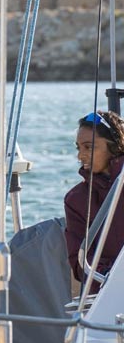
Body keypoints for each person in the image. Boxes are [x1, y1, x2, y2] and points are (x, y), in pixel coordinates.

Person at [63, 110, 124, 289]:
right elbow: (79, 261)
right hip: (108, 296)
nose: (80, 156)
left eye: (89, 147)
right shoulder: (75, 200)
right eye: (79, 148)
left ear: (115, 146)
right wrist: (111, 276)